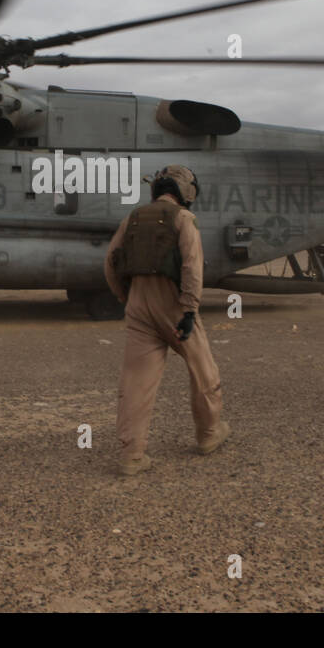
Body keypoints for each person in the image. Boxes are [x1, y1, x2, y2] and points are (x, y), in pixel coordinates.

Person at [104, 165, 228, 476]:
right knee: (203, 372)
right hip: (174, 306)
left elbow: (110, 262)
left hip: (138, 307)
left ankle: (131, 456)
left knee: (136, 383)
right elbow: (192, 266)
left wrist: (126, 297)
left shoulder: (131, 218)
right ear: (186, 190)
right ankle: (209, 436)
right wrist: (188, 310)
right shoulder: (184, 219)